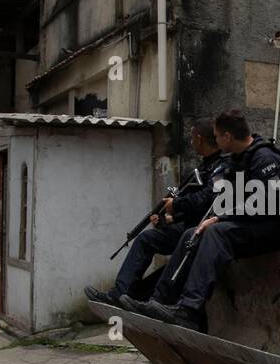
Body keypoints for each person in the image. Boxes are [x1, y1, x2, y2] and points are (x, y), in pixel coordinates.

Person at [126, 109, 280, 330]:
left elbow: (270, 202)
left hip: (276, 229)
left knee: (216, 233)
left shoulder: (265, 158)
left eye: (217, 136)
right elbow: (215, 194)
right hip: (250, 224)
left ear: (227, 136)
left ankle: (189, 309)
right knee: (193, 232)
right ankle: (159, 301)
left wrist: (221, 218)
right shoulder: (234, 161)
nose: (215, 141)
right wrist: (178, 213)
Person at [84, 117, 228, 308]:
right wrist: (168, 218)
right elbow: (189, 202)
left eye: (193, 138)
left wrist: (176, 206)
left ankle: (142, 299)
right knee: (146, 239)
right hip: (188, 226)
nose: (191, 142)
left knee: (175, 260)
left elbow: (207, 199)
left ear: (200, 139)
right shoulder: (202, 166)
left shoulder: (221, 166)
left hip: (203, 229)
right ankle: (120, 294)